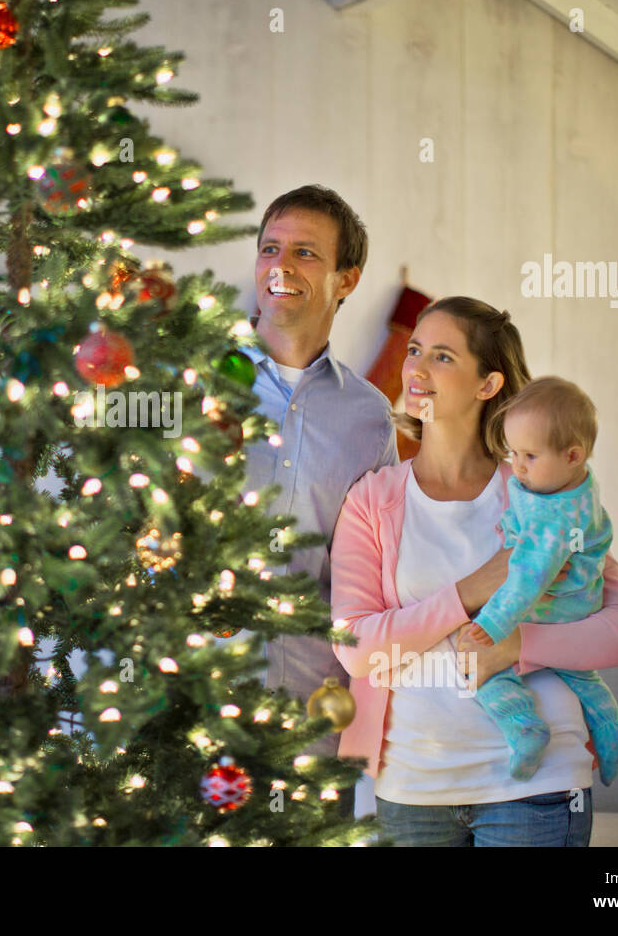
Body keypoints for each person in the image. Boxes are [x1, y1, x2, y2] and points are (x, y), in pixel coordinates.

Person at [328, 296, 618, 846]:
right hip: (413, 790)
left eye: (444, 356)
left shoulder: (539, 492)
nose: (417, 369)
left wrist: (519, 644)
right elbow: (357, 647)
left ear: (488, 384)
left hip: (538, 786)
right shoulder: (373, 500)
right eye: (414, 350)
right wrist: (472, 590)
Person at [240, 185, 398, 792]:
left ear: (346, 279)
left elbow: (376, 571)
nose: (279, 267)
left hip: (314, 715)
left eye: (305, 253)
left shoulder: (370, 417)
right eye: (269, 249)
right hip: (192, 700)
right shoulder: (191, 385)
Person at [465, 376, 618, 785]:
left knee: (478, 664)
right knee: (579, 674)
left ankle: (523, 725)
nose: (516, 466)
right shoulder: (570, 483)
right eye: (512, 453)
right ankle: (611, 729)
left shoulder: (552, 521)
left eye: (529, 456)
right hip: (577, 602)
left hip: (550, 606)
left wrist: (493, 624)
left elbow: (526, 578)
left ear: (573, 454)